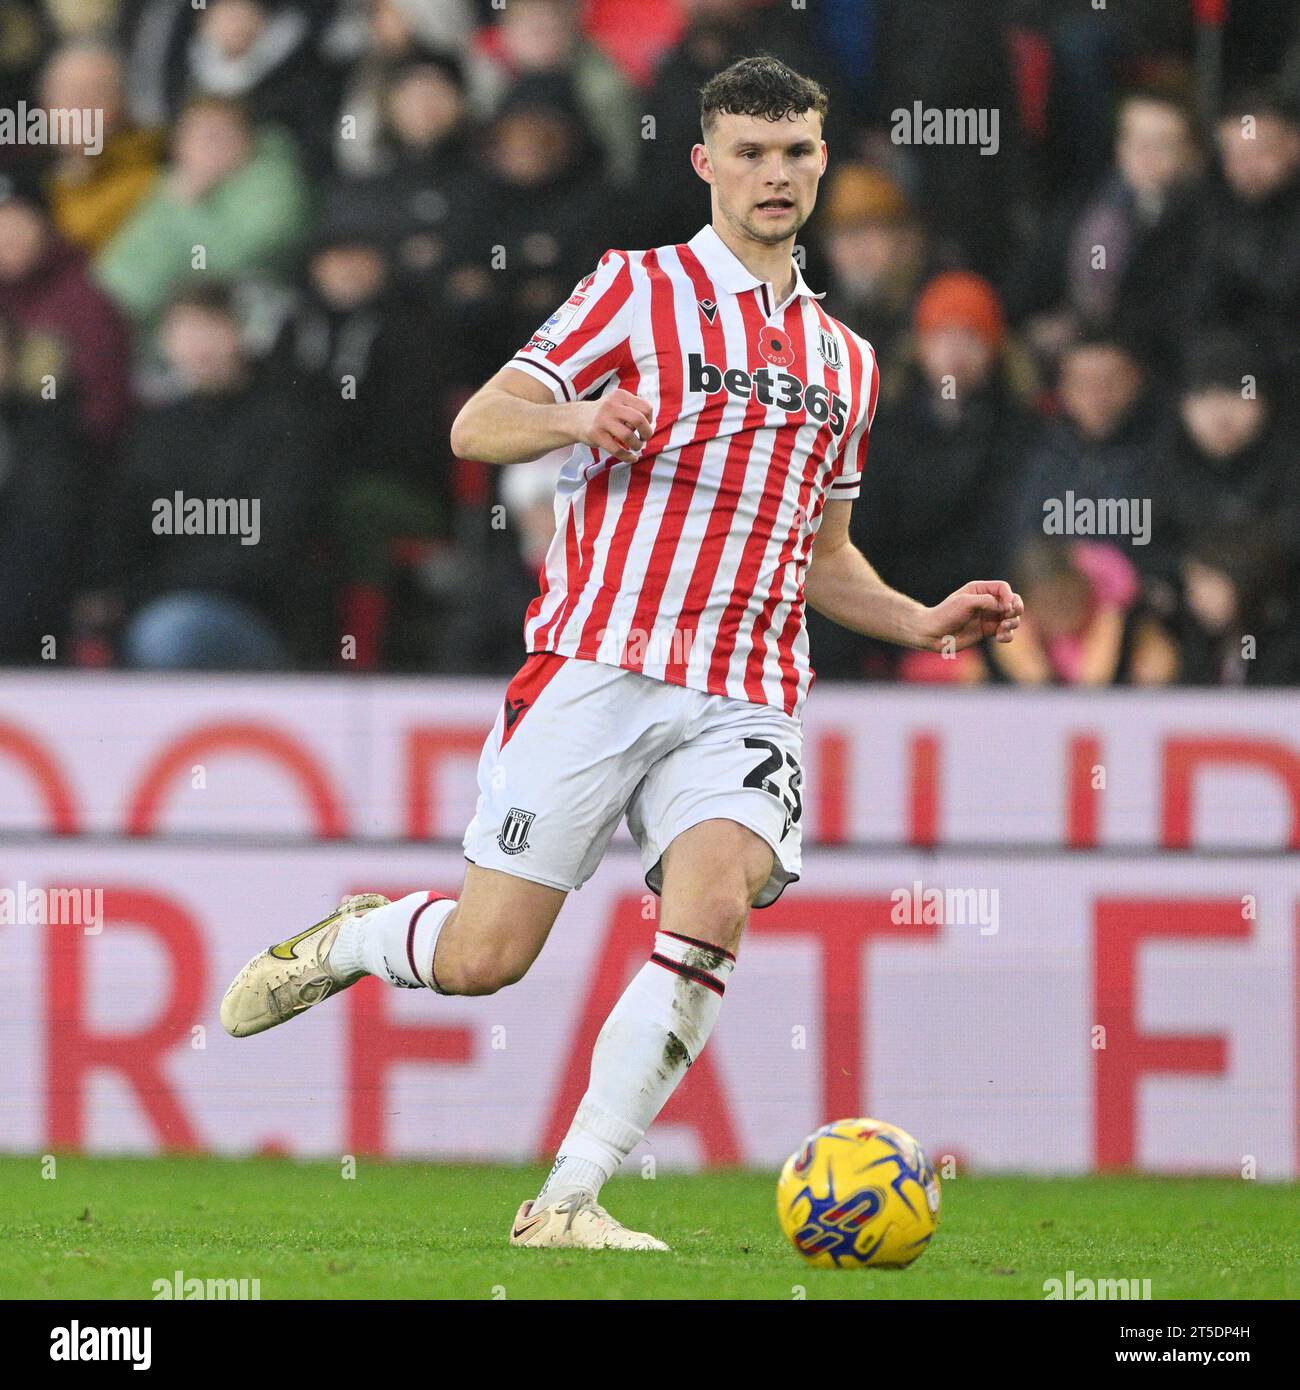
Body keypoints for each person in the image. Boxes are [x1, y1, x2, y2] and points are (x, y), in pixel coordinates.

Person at [219, 56, 1024, 1250]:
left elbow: (822, 550)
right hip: (599, 660)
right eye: (749, 152)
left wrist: (916, 619)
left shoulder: (846, 363)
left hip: (746, 687)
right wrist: (576, 418)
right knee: (486, 957)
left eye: (796, 152)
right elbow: (476, 423)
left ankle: (569, 1199)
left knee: (713, 906)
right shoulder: (633, 290)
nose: (775, 174)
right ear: (703, 162)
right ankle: (361, 937)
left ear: (821, 163)